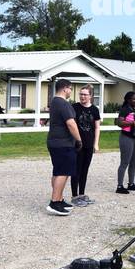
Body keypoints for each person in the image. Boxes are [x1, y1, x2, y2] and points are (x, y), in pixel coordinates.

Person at [44, 79, 82, 216]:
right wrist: (79, 139)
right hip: (63, 143)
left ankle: (59, 199)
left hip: (54, 142)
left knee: (58, 171)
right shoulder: (63, 104)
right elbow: (71, 123)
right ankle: (54, 202)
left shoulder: (54, 102)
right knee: (63, 172)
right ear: (65, 88)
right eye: (70, 89)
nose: (71, 91)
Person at [72, 86, 101, 205]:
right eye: (81, 94)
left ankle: (82, 194)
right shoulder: (74, 107)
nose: (82, 96)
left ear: (90, 96)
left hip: (89, 144)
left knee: (85, 170)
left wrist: (96, 143)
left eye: (85, 94)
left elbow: (97, 127)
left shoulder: (94, 109)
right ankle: (75, 196)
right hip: (77, 144)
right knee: (76, 170)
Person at [114, 91, 135, 194]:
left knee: (134, 162)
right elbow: (119, 123)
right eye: (133, 99)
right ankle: (119, 186)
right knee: (125, 162)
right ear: (128, 100)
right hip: (126, 138)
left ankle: (131, 184)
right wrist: (131, 122)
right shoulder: (125, 109)